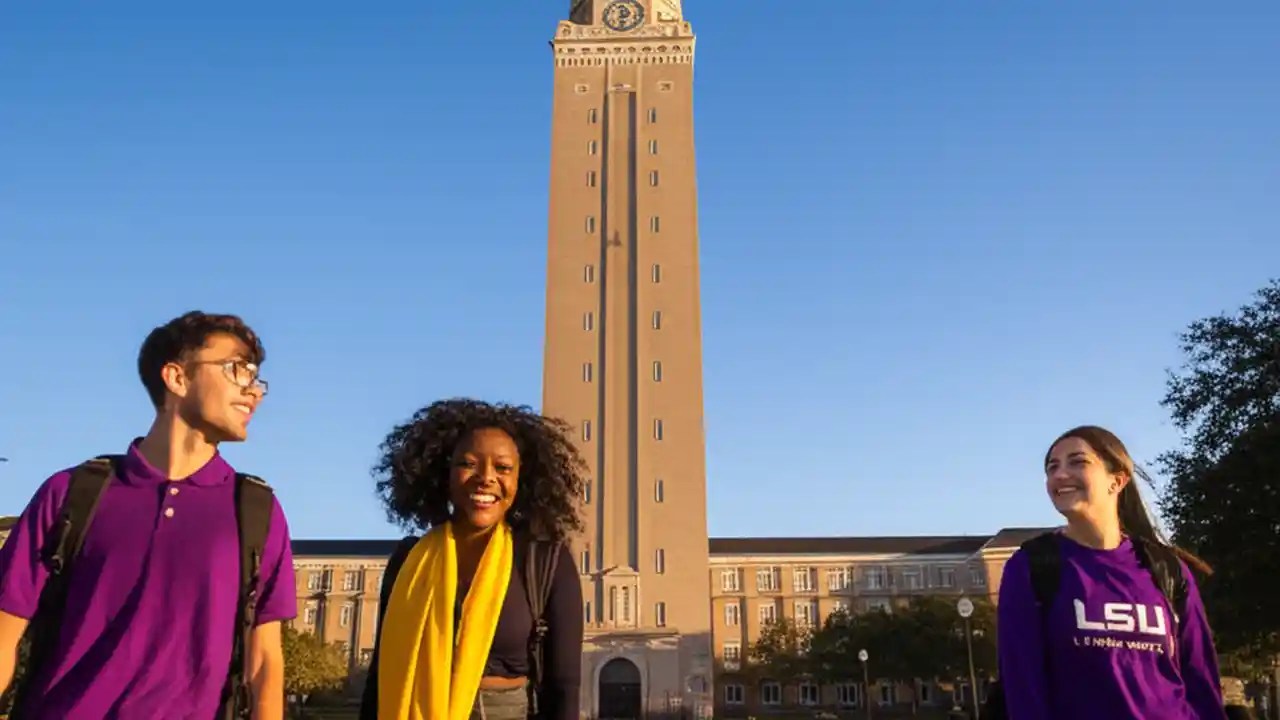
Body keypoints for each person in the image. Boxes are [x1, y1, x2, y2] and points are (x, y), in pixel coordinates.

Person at [0, 311, 296, 719]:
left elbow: (264, 664)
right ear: (176, 378)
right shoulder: (71, 494)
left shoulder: (257, 511)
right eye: (236, 370)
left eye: (256, 377)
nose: (254, 391)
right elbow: (3, 634)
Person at [360, 398, 586, 720]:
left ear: (521, 480)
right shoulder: (409, 559)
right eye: (469, 464)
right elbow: (380, 674)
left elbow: (564, 687)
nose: (486, 477)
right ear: (445, 473)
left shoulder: (545, 561)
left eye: (503, 468)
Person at [996, 425, 1227, 719]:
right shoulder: (1031, 567)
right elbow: (1024, 689)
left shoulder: (1167, 569)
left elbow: (1201, 679)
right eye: (1052, 467)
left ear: (1117, 481)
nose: (1060, 474)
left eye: (1077, 462)